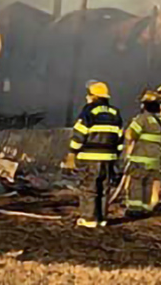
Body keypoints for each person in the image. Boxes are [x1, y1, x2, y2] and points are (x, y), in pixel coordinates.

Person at [62, 80, 123, 228]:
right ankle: (102, 218)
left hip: (89, 157)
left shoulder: (89, 111)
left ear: (94, 96)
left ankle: (89, 218)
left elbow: (79, 134)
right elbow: (120, 137)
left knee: (89, 187)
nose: (86, 97)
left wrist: (72, 153)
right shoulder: (115, 113)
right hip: (109, 158)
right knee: (104, 188)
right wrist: (116, 155)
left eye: (88, 94)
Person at [123, 90, 161, 218]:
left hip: (140, 159)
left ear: (144, 105)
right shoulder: (159, 121)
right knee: (148, 184)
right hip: (154, 160)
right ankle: (146, 208)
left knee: (136, 183)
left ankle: (135, 209)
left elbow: (130, 135)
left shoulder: (142, 119)